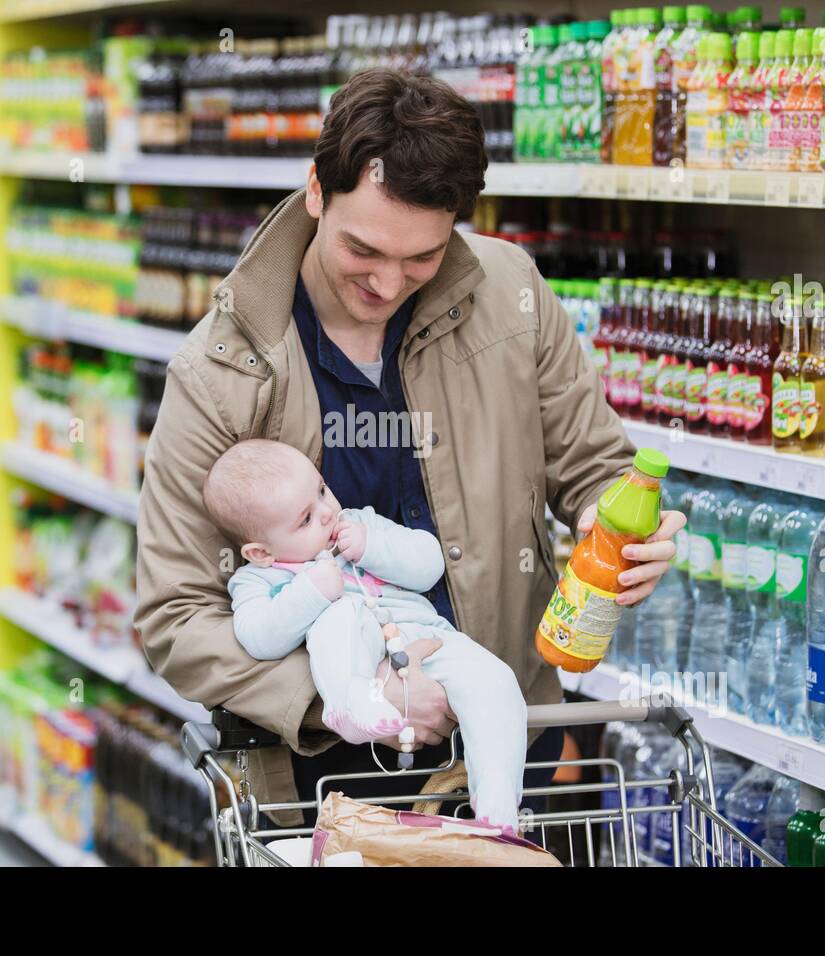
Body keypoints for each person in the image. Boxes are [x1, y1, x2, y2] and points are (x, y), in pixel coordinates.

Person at [135, 67, 685, 827]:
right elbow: (175, 615)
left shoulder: (511, 293)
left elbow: (594, 467)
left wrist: (626, 522)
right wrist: (345, 699)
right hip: (322, 780)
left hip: (512, 747)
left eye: (421, 257)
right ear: (316, 192)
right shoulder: (219, 371)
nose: (388, 283)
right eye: (364, 249)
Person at [204, 439, 529, 831]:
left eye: (322, 491)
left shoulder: (359, 523)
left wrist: (372, 545)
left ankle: (497, 807)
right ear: (260, 552)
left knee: (495, 681)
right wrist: (311, 592)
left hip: (426, 637)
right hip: (358, 657)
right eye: (305, 519)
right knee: (341, 614)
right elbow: (257, 637)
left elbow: (429, 562)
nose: (327, 513)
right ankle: (352, 703)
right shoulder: (258, 579)